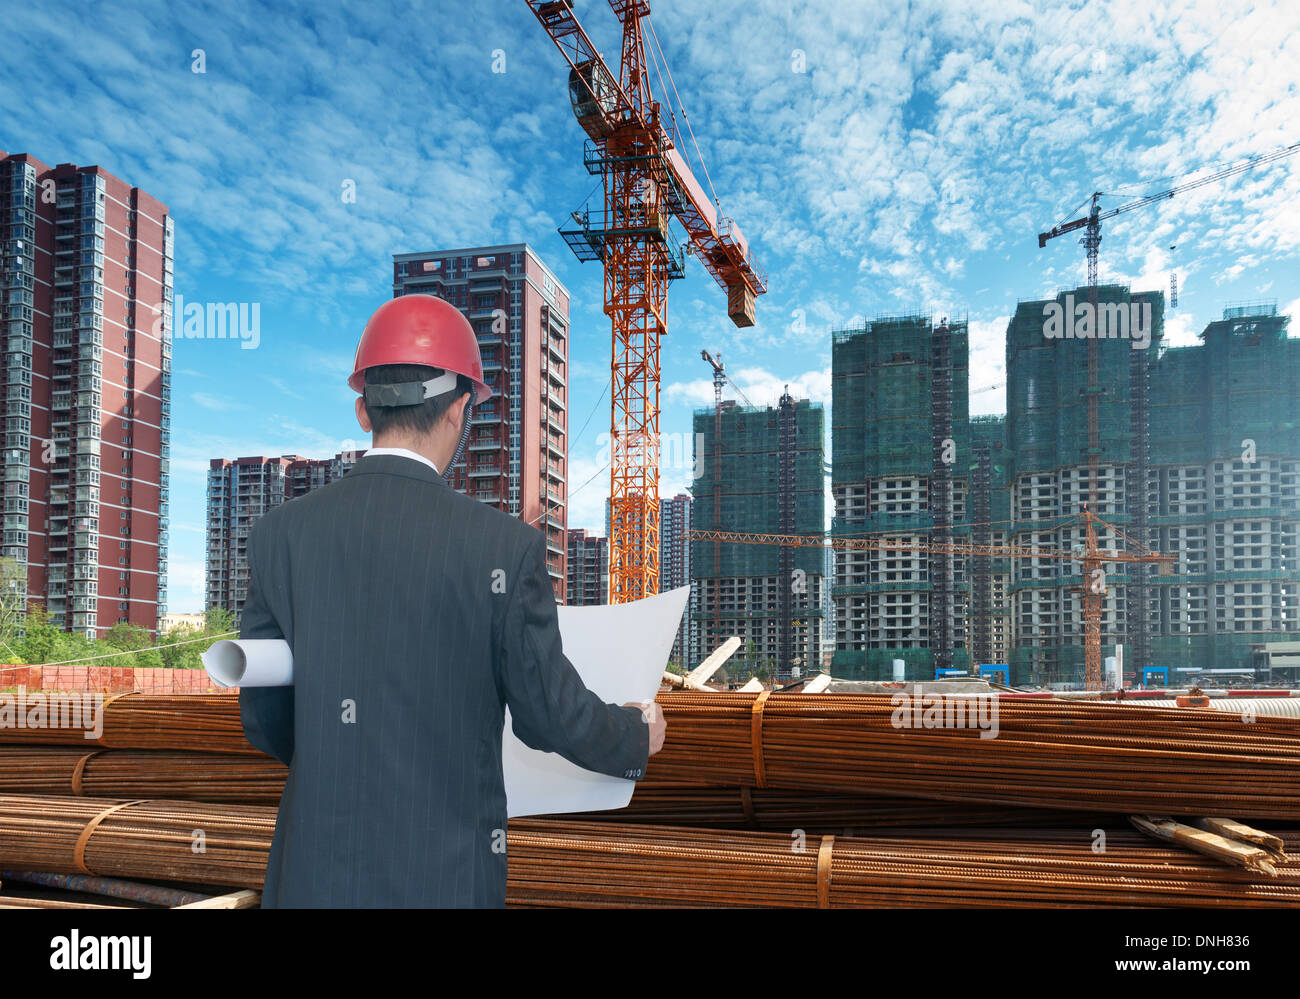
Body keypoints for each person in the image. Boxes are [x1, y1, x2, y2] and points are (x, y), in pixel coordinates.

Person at [237, 294, 666, 908]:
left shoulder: (280, 535)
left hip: (313, 879)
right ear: (461, 409)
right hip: (443, 884)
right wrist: (633, 733)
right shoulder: (503, 548)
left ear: (363, 409)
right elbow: (550, 715)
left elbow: (265, 719)